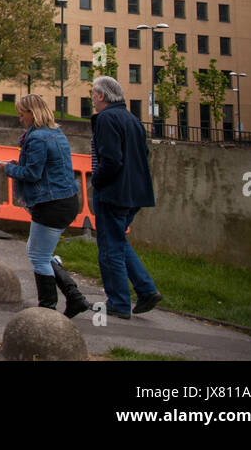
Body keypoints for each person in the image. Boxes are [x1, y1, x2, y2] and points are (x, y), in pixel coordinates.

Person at [0, 94, 91, 317]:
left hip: (52, 204)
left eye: (22, 114)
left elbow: (32, 173)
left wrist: (7, 168)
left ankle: (48, 307)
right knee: (39, 252)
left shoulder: (37, 138)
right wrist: (15, 164)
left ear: (33, 113)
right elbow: (44, 169)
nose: (20, 119)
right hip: (64, 201)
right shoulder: (55, 133)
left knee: (38, 256)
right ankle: (75, 297)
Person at [89, 75, 162, 319]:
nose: (92, 99)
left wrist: (96, 181)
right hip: (135, 192)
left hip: (113, 192)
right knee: (117, 241)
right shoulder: (132, 120)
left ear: (101, 95)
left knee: (110, 248)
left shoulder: (106, 119)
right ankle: (146, 289)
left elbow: (111, 159)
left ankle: (119, 302)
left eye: (93, 94)